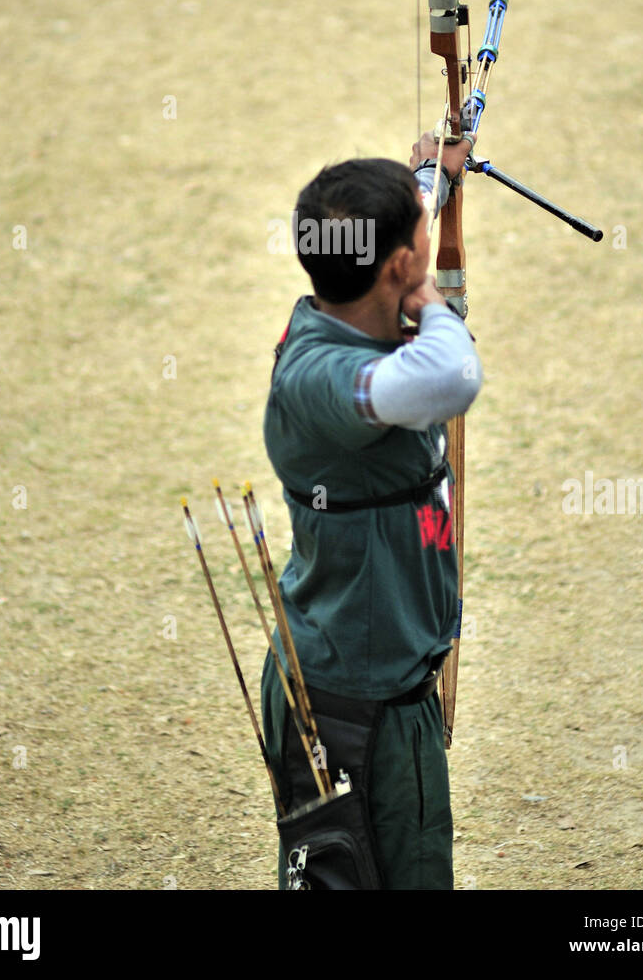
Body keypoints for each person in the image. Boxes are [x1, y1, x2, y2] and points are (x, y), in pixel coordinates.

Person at [260, 129, 483, 890]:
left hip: (370, 689)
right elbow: (452, 375)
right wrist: (431, 299)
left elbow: (396, 236)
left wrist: (428, 180)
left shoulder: (347, 308)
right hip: (355, 707)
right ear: (396, 268)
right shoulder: (324, 376)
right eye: (416, 250)